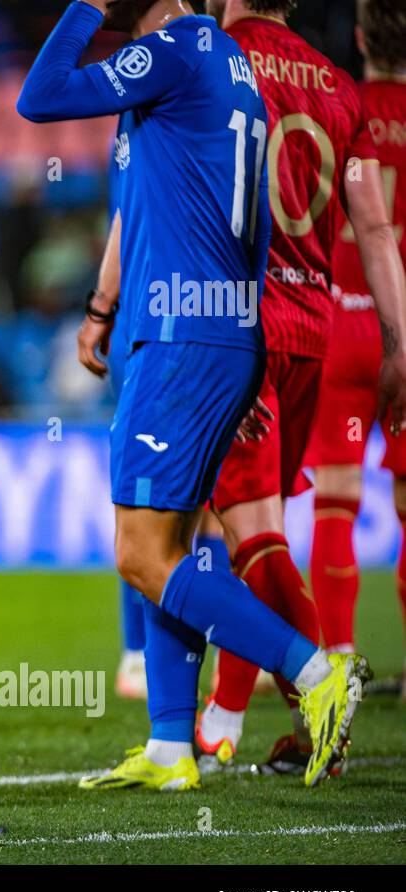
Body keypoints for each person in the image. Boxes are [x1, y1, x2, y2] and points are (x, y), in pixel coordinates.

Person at [19, 0, 395, 791]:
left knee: (139, 552)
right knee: (181, 539)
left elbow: (41, 95)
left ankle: (314, 672)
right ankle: (169, 746)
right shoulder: (232, 67)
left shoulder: (179, 49)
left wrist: (85, 7)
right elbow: (257, 218)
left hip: (182, 336)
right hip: (229, 330)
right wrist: (245, 338)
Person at [196, 0, 406, 774]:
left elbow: (217, 201)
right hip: (315, 333)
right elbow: (376, 229)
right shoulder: (338, 87)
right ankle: (223, 718)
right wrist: (399, 344)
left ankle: (321, 694)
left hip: (241, 325)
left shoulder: (219, 57)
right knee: (256, 532)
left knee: (246, 537)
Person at [303, 0, 406, 703]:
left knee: (334, 506)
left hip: (339, 326)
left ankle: (339, 668)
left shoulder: (339, 102)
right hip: (402, 332)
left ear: (363, 36)